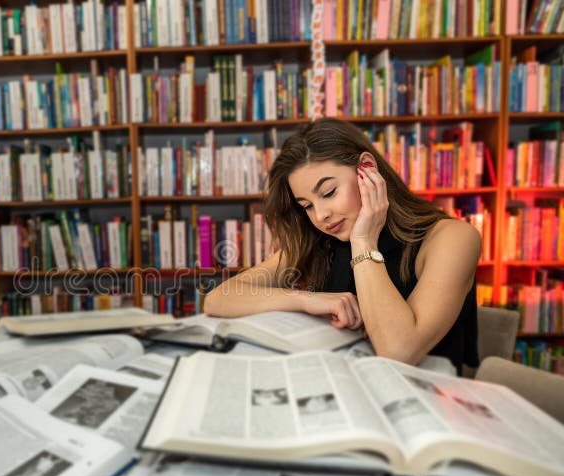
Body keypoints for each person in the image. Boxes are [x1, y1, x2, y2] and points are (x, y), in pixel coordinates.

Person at [204, 118, 481, 375]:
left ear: (367, 170)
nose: (320, 215)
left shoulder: (452, 238)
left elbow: (399, 351)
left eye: (328, 193)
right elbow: (218, 299)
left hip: (428, 406)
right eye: (307, 206)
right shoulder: (321, 240)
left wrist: (363, 241)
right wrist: (307, 300)